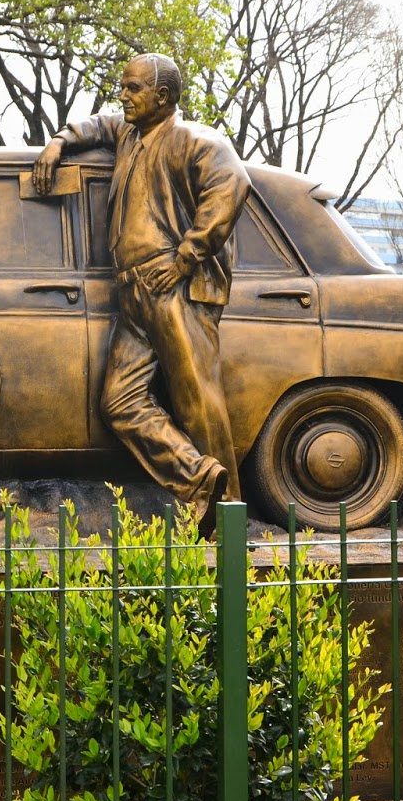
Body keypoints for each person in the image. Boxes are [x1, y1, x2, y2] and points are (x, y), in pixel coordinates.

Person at [32, 52, 249, 532]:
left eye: (132, 88)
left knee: (199, 401)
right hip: (133, 293)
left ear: (163, 97)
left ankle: (230, 522)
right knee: (120, 402)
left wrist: (184, 257)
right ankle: (200, 481)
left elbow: (231, 187)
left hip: (175, 287)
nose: (123, 96)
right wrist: (57, 142)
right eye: (124, 87)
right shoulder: (129, 134)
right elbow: (97, 126)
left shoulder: (196, 140)